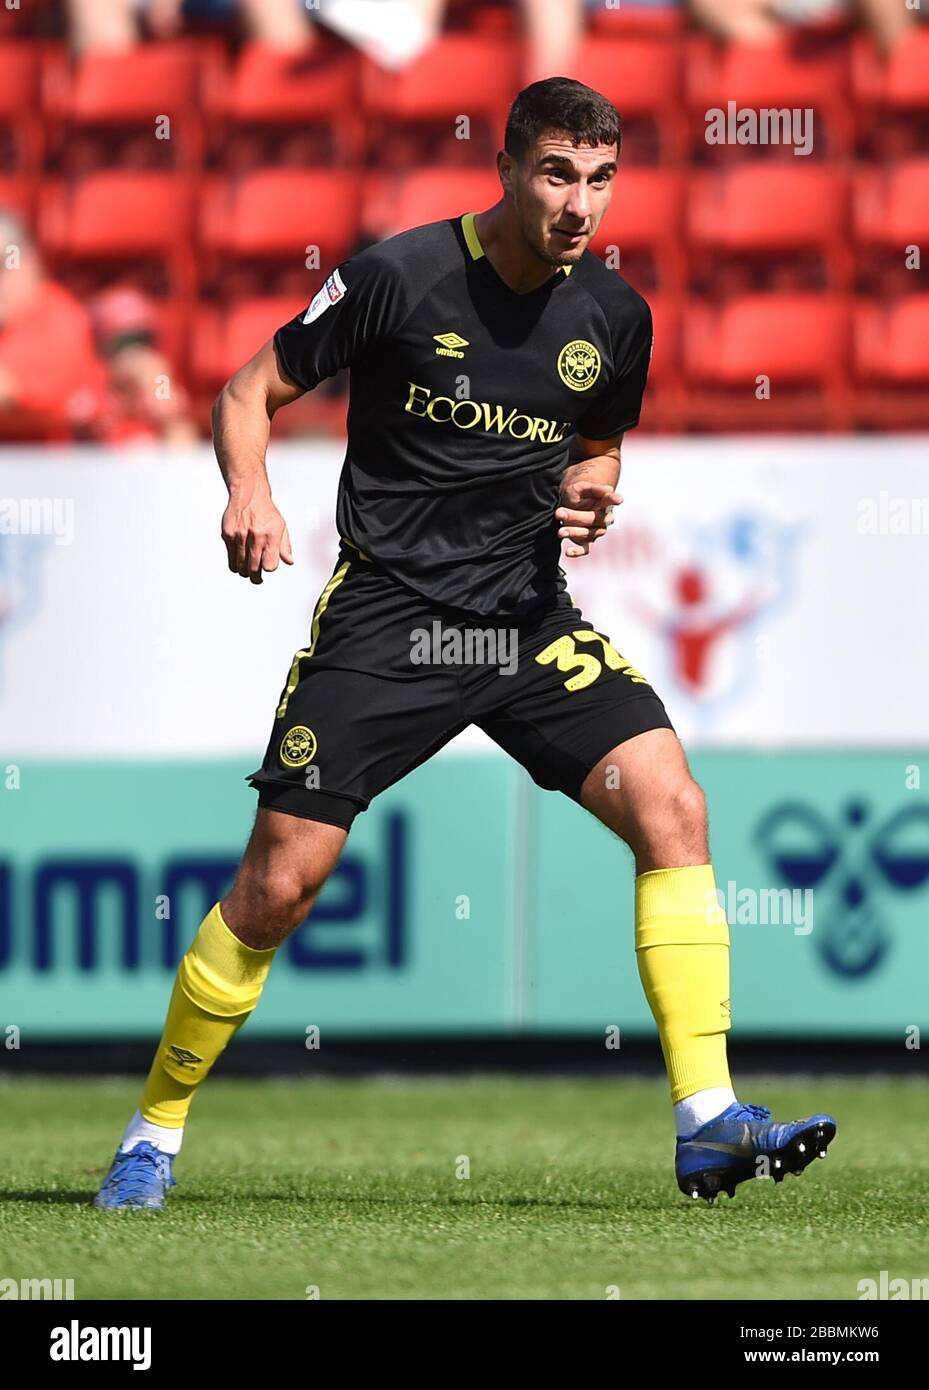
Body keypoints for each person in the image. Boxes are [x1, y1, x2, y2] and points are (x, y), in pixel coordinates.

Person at [95, 77, 836, 1211]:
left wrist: (592, 489)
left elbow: (597, 449)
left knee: (672, 806)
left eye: (597, 180)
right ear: (504, 168)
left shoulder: (614, 316)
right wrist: (248, 494)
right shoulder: (398, 277)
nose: (576, 204)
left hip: (525, 621)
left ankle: (705, 1119)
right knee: (279, 886)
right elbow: (245, 392)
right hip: (390, 617)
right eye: (554, 174)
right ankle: (153, 1132)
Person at [0, 210, 102, 440]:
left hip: (83, 465)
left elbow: (5, 388)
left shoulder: (58, 320)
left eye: (1, 264)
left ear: (29, 261)